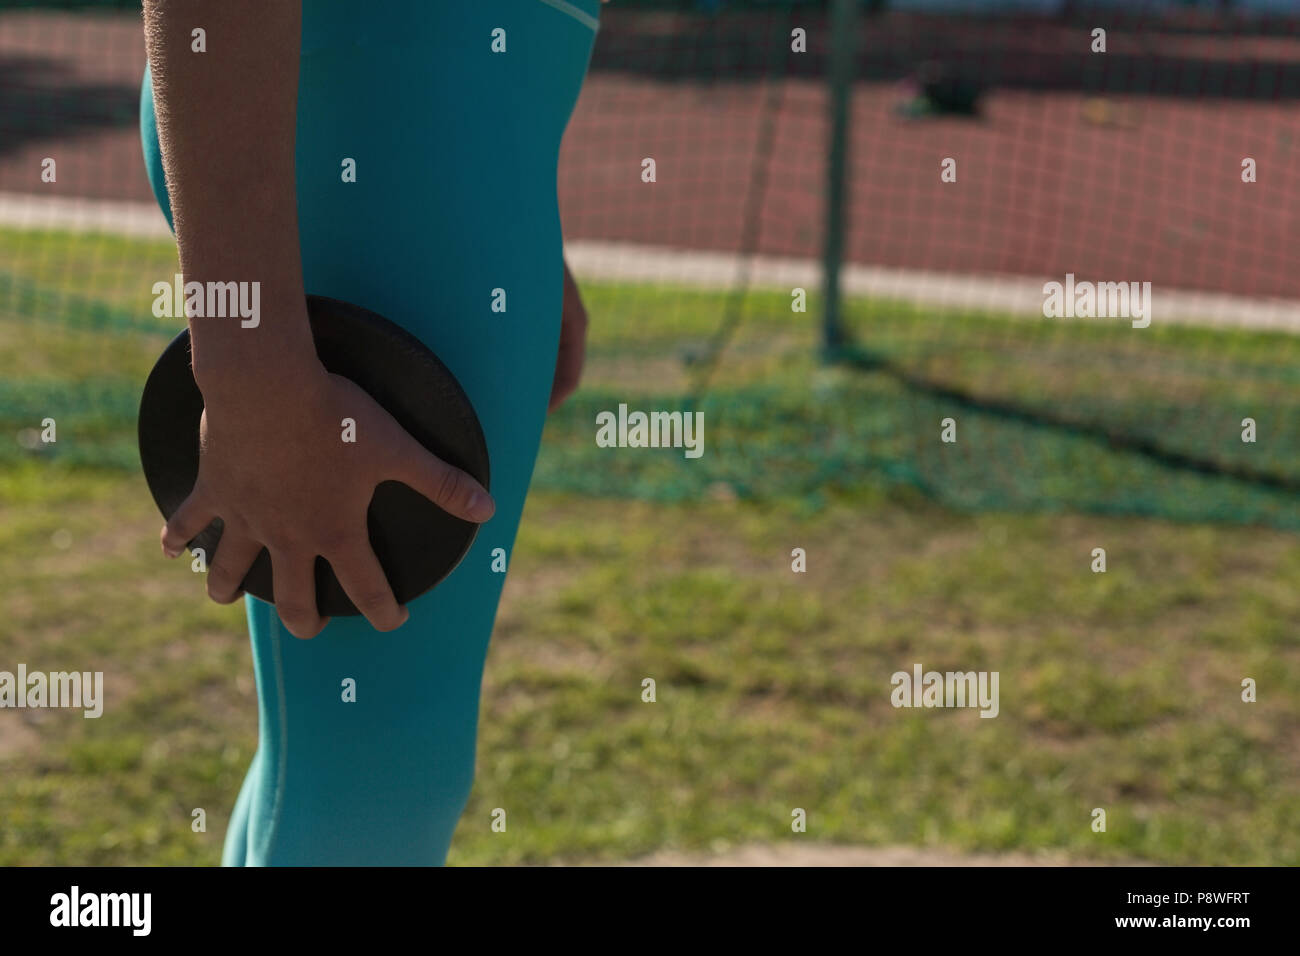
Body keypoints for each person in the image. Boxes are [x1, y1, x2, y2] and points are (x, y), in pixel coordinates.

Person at [139, 0, 604, 865]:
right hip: (372, 115)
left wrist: (500, 236)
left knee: (350, 767)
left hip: (424, 133)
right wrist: (252, 370)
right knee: (376, 779)